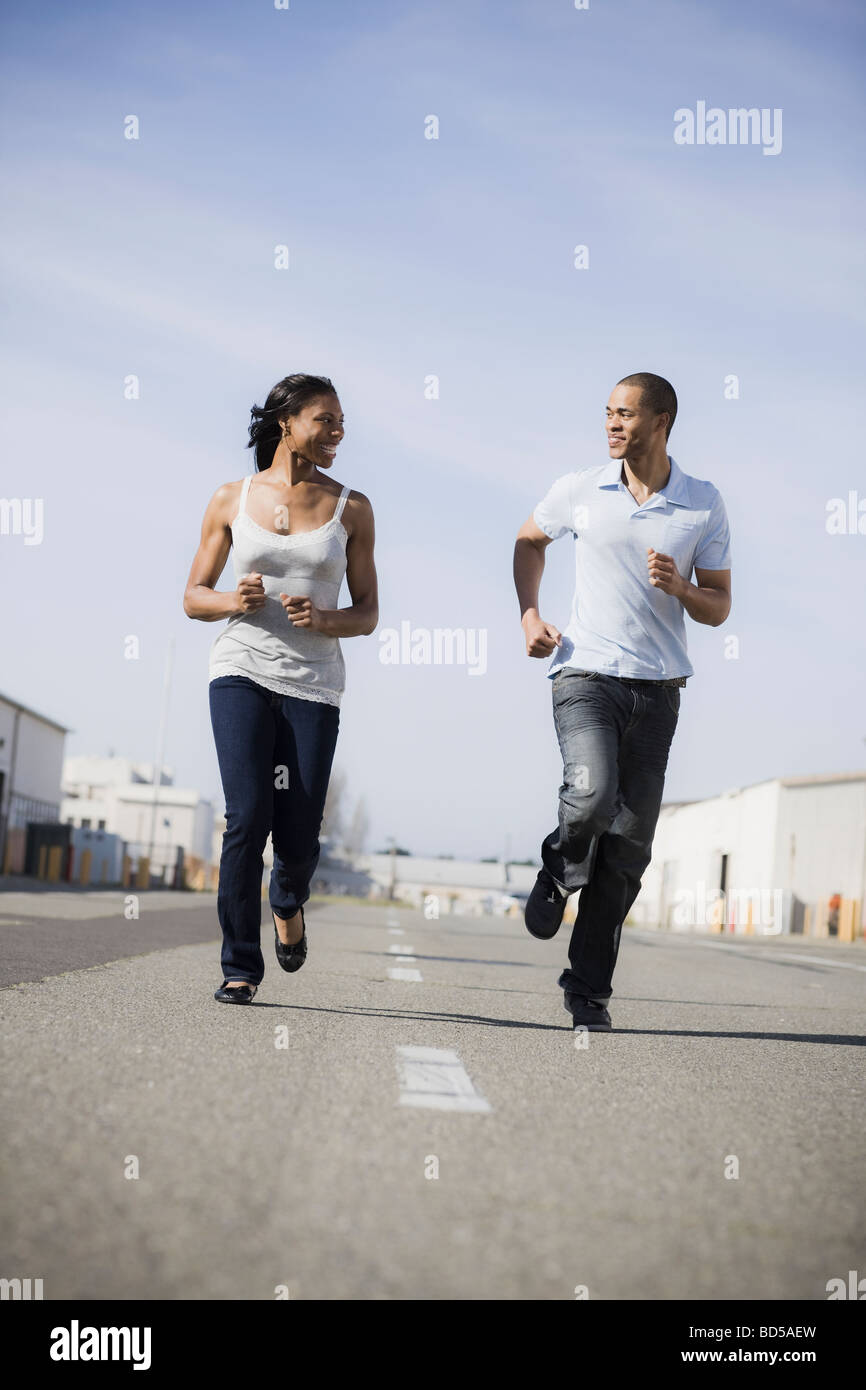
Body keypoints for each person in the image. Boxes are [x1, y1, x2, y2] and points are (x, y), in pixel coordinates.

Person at [513, 373, 732, 1032]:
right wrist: (530, 616)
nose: (612, 424)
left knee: (629, 848)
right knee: (591, 794)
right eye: (608, 412)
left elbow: (719, 604)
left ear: (661, 422)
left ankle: (587, 991)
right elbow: (528, 541)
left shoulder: (702, 503)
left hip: (660, 692)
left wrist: (683, 589)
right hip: (584, 675)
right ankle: (557, 867)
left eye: (626, 414)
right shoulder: (581, 488)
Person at [183, 374, 378, 1004]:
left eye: (341, 421)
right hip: (239, 668)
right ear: (287, 421)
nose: (338, 432)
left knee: (297, 837)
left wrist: (325, 619)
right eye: (326, 420)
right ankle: (240, 966)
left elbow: (369, 612)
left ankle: (287, 903)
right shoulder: (229, 499)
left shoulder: (352, 507)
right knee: (247, 818)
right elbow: (193, 596)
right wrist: (228, 600)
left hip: (313, 684)